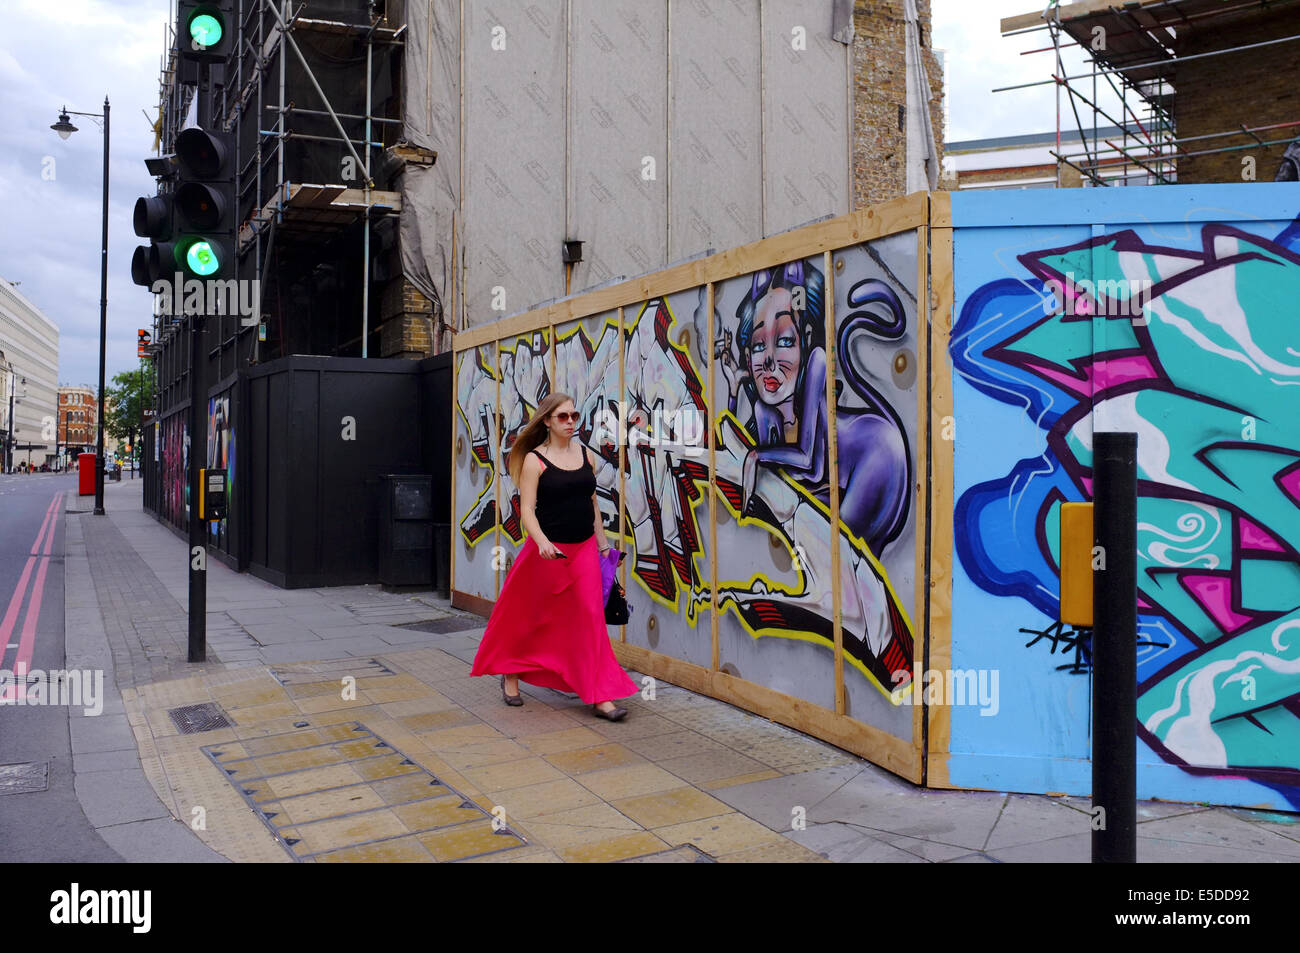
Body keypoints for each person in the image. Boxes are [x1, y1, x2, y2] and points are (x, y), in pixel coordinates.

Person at [469, 392, 637, 721]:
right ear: (547, 420)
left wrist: (604, 546)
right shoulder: (535, 460)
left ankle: (600, 696)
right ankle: (511, 674)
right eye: (563, 416)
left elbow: (591, 504)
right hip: (546, 553)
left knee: (589, 618)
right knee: (527, 616)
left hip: (584, 549)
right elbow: (527, 511)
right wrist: (543, 542)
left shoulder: (586, 456)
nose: (571, 422)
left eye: (574, 416)